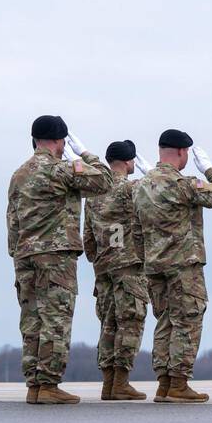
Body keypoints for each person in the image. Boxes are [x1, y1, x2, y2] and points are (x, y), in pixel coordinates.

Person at [6, 115, 112, 404]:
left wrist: (17, 251)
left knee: (31, 321)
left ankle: (34, 385)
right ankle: (49, 384)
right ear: (58, 140)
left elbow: (12, 220)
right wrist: (86, 154)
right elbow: (105, 180)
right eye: (64, 142)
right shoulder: (60, 169)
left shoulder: (19, 173)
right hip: (55, 256)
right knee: (56, 319)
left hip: (25, 254)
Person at [133, 129, 212, 403]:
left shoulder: (141, 185)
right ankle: (179, 383)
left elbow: (135, 230)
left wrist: (147, 258)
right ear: (182, 152)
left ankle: (164, 383)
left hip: (154, 266)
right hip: (184, 266)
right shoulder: (183, 184)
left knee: (164, 322)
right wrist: (211, 170)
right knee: (187, 321)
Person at [83, 139, 152, 401]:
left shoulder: (94, 193)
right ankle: (121, 381)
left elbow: (88, 235)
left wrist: (99, 259)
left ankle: (109, 383)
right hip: (129, 265)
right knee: (130, 321)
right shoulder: (131, 189)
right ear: (128, 161)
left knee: (108, 323)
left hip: (103, 267)